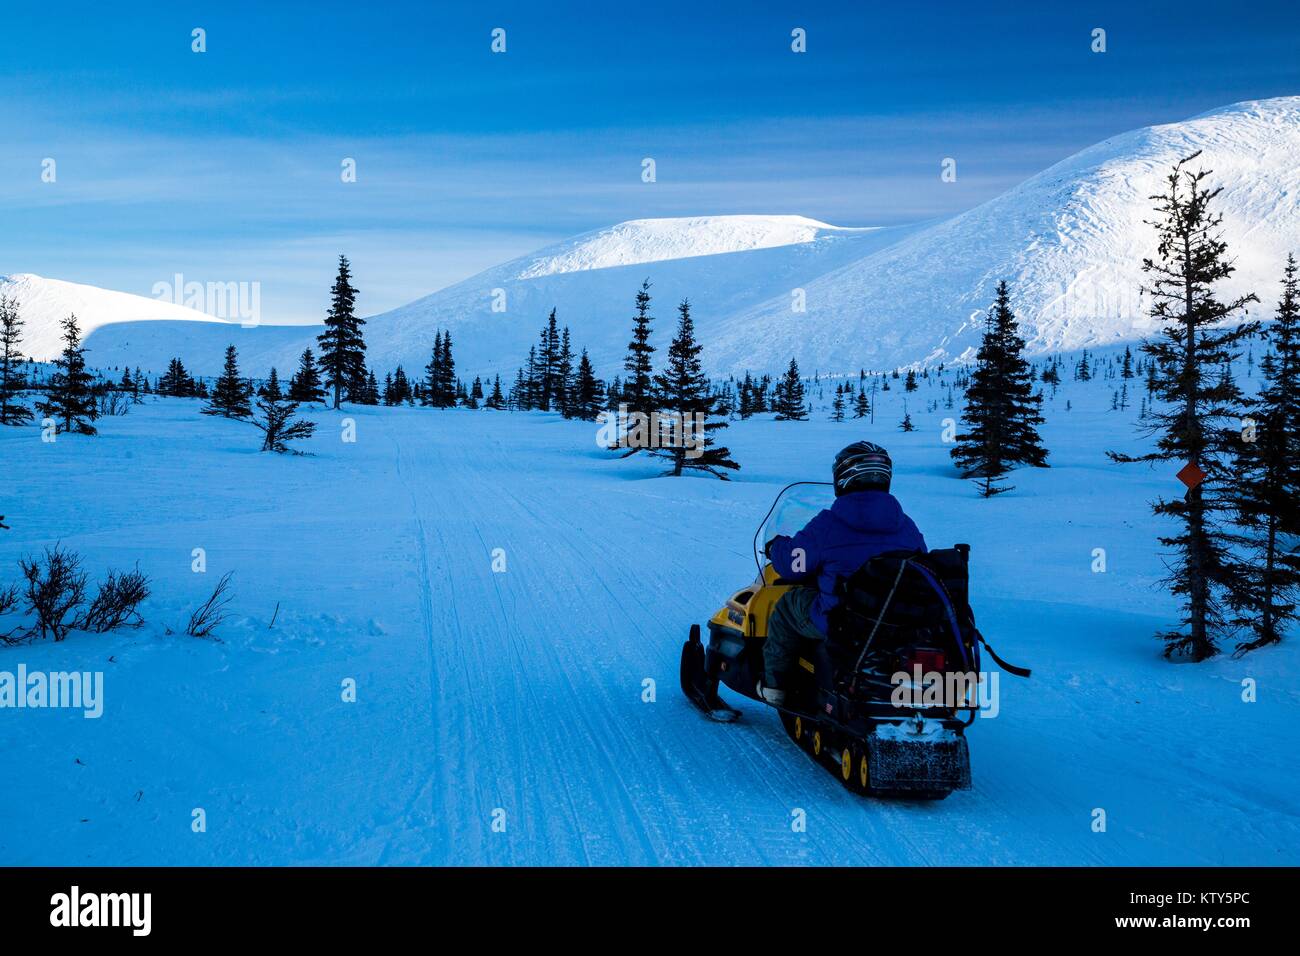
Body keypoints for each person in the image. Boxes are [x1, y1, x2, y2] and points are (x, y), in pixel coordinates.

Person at [758, 442, 927, 706]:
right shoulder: (906, 526)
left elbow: (794, 565)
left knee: (787, 606)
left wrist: (775, 547)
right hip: (897, 622)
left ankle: (774, 686)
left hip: (842, 621)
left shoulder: (829, 524)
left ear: (843, 477)